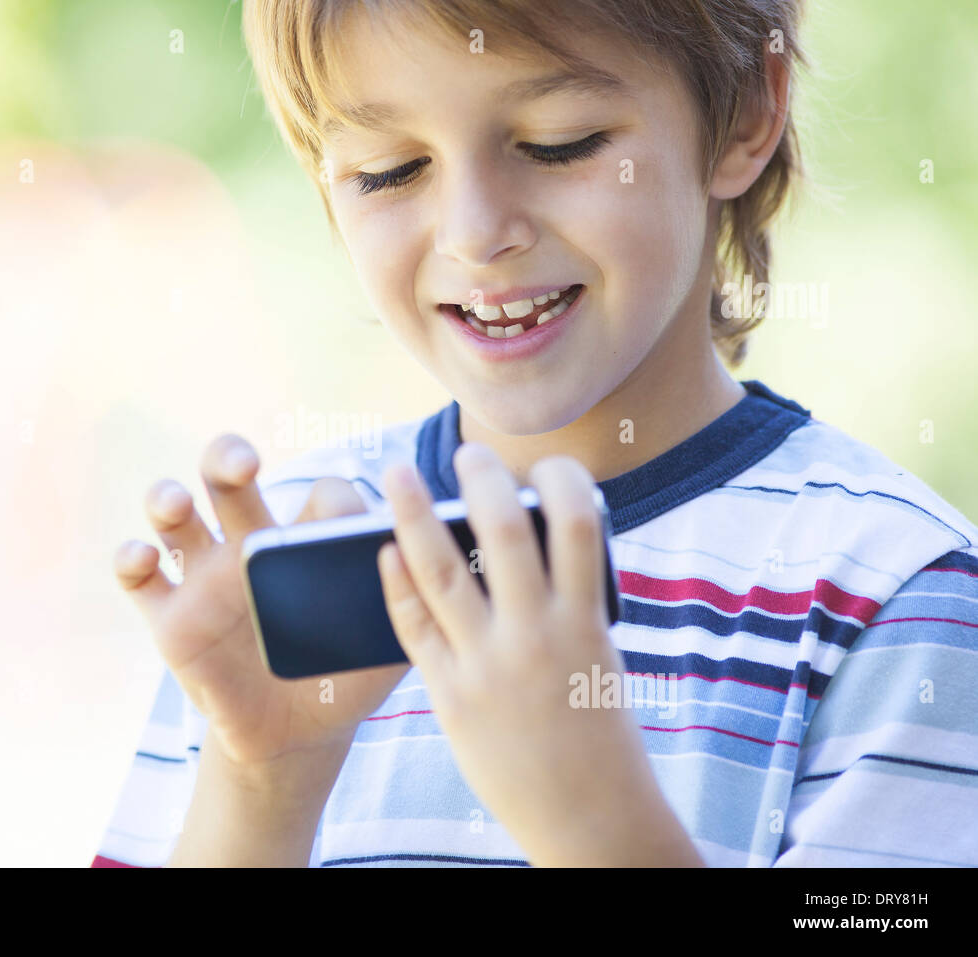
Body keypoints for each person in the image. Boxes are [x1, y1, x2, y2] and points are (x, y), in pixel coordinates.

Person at [94, 0, 978, 866]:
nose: (476, 234)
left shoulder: (898, 597)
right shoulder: (288, 568)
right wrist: (261, 788)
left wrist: (594, 821)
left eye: (559, 143)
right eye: (390, 168)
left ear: (747, 110)